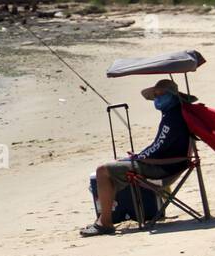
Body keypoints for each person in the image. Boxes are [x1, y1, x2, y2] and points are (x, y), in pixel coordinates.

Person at [81, 79, 194, 237]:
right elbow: (160, 146)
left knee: (102, 171)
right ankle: (104, 219)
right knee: (115, 168)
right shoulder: (175, 113)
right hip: (168, 164)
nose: (157, 98)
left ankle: (105, 223)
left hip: (162, 168)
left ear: (172, 95)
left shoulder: (173, 117)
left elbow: (158, 147)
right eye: (155, 95)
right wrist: (136, 157)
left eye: (160, 94)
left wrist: (137, 158)